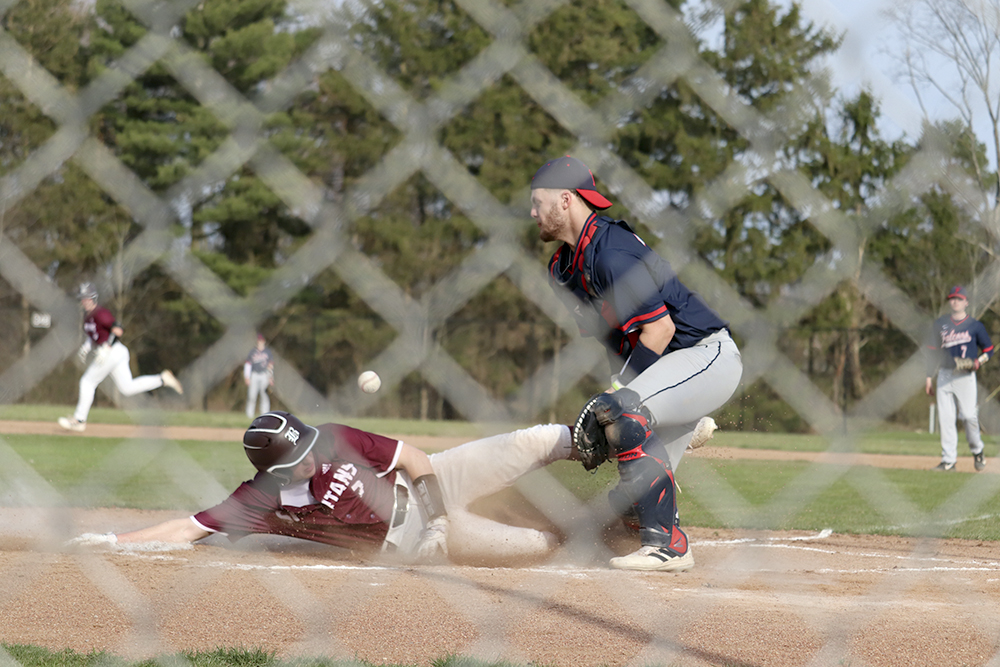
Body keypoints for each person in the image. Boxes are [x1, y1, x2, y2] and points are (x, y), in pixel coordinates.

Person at [529, 156, 743, 572]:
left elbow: (660, 332)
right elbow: (616, 339)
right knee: (618, 510)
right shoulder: (563, 270)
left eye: (539, 202)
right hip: (667, 370)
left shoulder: (611, 253)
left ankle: (671, 547)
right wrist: (618, 389)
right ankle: (666, 424)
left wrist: (617, 397)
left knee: (617, 410)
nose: (533, 212)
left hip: (704, 356)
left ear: (566, 201)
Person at [70, 411, 575, 565]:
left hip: (434, 482)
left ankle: (613, 434)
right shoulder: (260, 501)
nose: (312, 456)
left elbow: (416, 460)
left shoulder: (334, 439)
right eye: (298, 457)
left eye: (308, 445)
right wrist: (115, 542)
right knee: (536, 548)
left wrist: (439, 520)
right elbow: (190, 526)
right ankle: (577, 529)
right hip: (401, 539)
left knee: (534, 441)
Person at [58, 282, 184, 432]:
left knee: (87, 382)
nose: (84, 301)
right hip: (115, 353)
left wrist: (107, 347)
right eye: (82, 298)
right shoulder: (87, 316)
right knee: (127, 388)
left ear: (93, 298)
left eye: (86, 298)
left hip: (112, 352)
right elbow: (95, 336)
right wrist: (87, 346)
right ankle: (162, 379)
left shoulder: (100, 313)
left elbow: (118, 329)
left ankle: (79, 420)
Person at [925, 285, 994, 472]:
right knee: (946, 419)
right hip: (945, 375)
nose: (955, 301)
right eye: (952, 298)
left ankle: (977, 450)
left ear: (966, 302)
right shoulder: (940, 324)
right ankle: (949, 460)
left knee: (969, 416)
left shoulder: (975, 326)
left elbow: (989, 349)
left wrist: (979, 361)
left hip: (966, 376)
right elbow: (932, 352)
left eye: (959, 298)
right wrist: (929, 378)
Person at [244, 334, 274, 419]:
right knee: (252, 395)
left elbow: (270, 366)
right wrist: (247, 377)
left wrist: (271, 377)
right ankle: (249, 415)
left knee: (264, 394)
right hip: (254, 374)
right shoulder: (252, 352)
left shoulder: (268, 352)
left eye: (261, 341)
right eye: (259, 341)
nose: (260, 343)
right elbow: (248, 365)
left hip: (264, 375)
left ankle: (265, 415)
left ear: (264, 342)